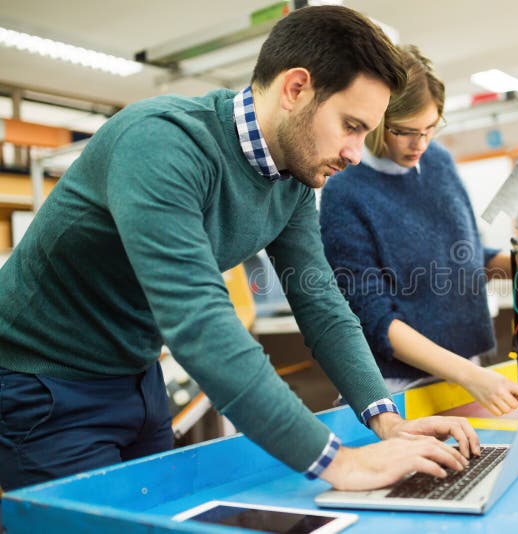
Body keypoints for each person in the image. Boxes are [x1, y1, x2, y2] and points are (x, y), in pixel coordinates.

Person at [0, 7, 480, 492]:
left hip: (139, 378)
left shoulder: (291, 180)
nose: (356, 153)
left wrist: (385, 419)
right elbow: (199, 321)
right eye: (351, 126)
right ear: (296, 88)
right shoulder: (161, 143)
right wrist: (341, 464)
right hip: (44, 387)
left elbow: (322, 304)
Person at [320, 45, 518, 416]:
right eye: (404, 132)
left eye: (430, 128)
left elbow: (467, 259)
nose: (420, 144)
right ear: (377, 120)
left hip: (467, 372)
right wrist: (469, 376)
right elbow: (375, 321)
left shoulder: (439, 162)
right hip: (402, 388)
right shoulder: (346, 190)